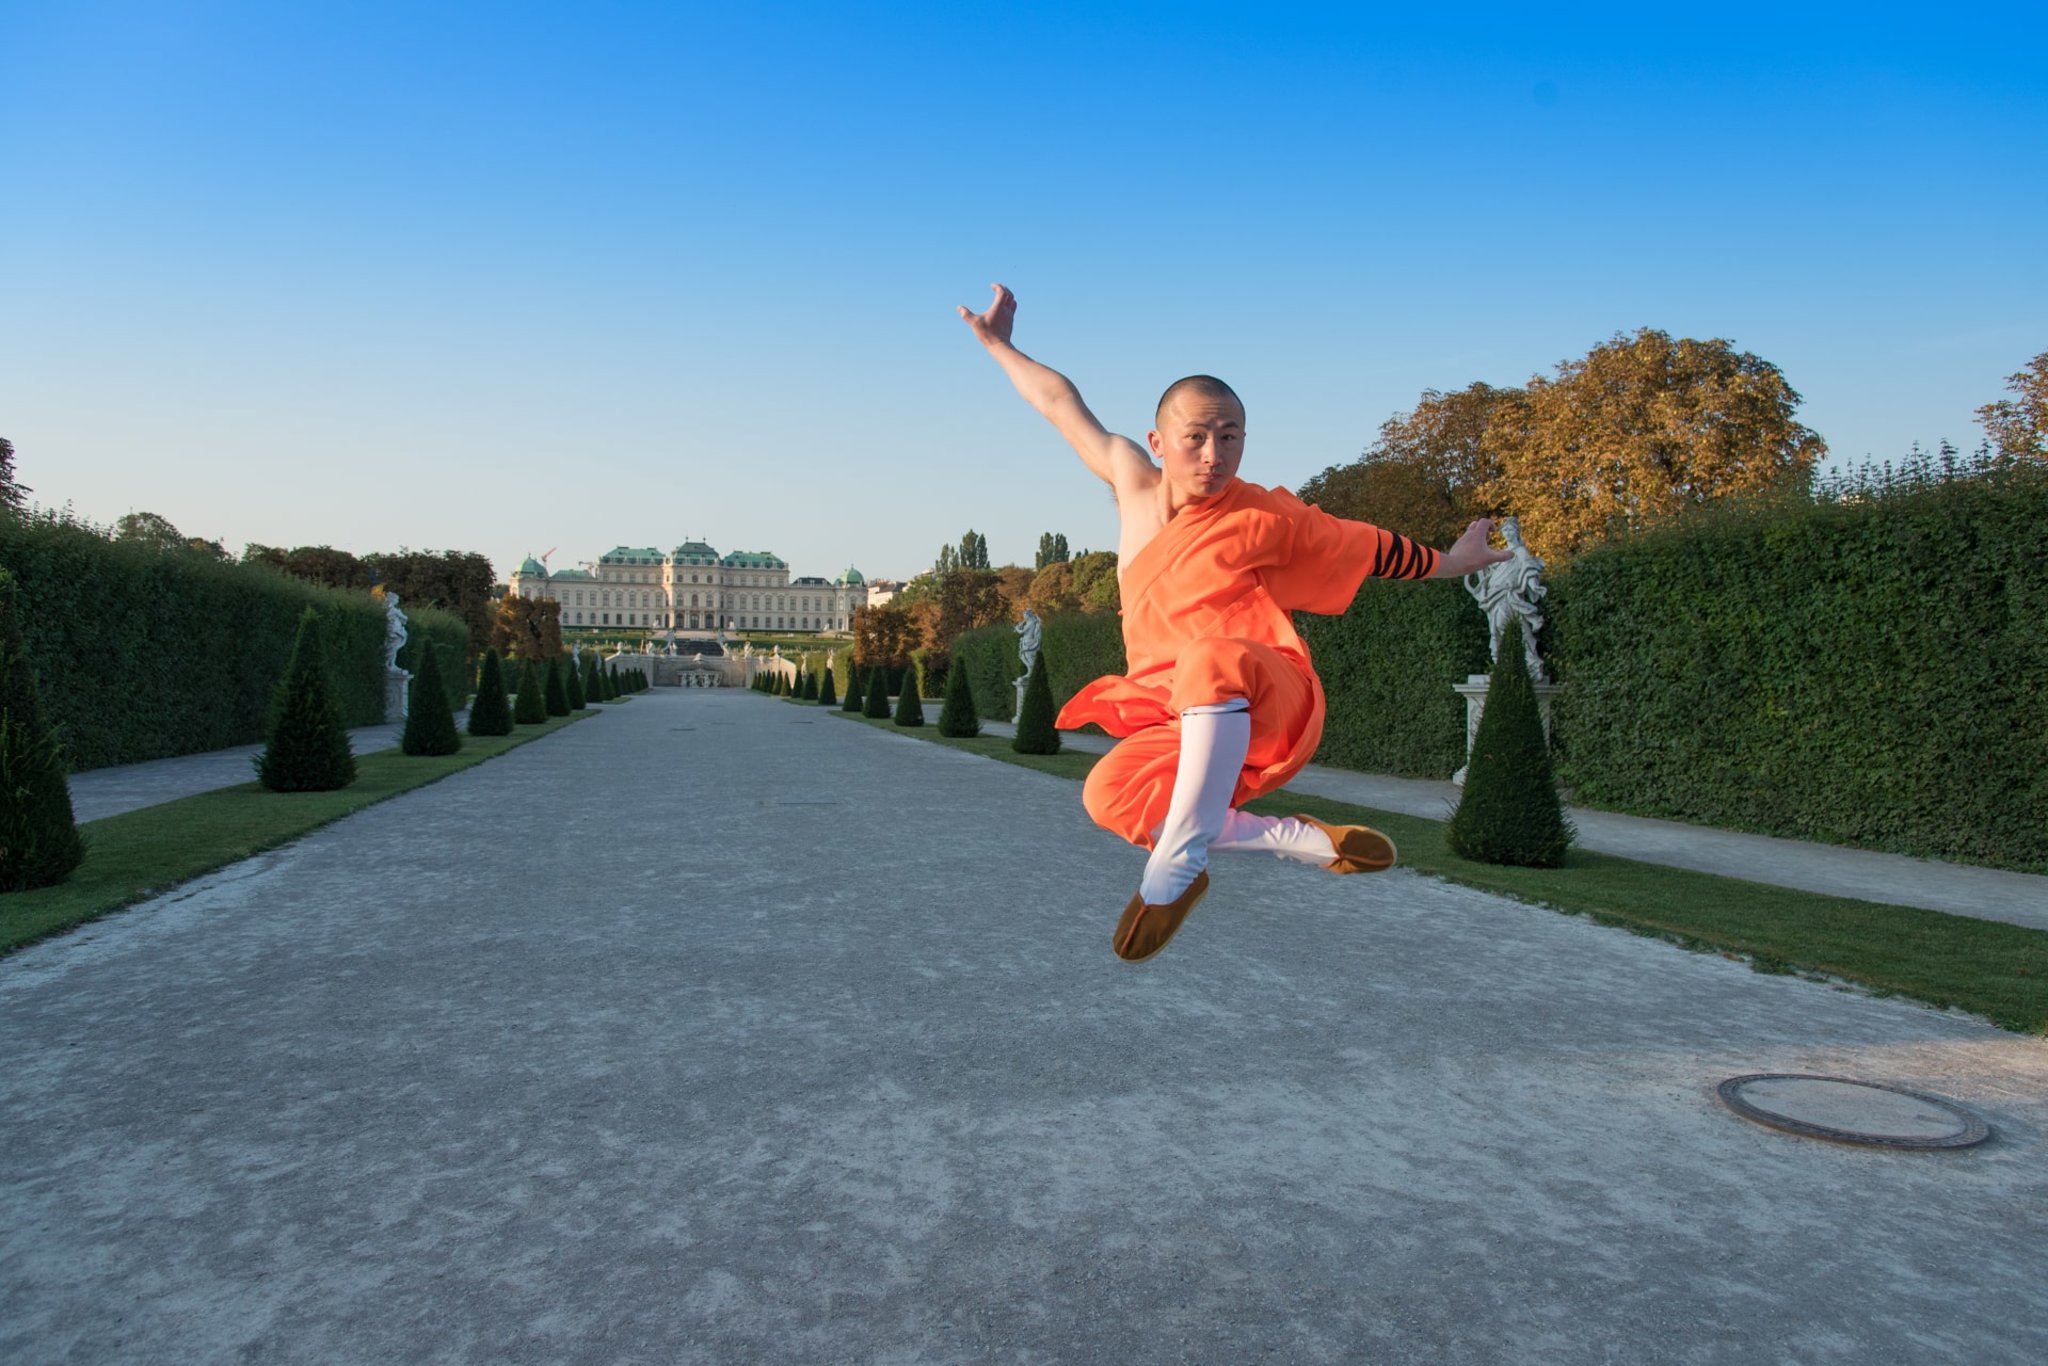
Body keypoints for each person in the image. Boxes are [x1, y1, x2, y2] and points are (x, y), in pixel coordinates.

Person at [959, 283, 1511, 962]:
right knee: (1109, 796)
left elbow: (1365, 546)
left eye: (1230, 438)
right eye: (1196, 439)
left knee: (1210, 655)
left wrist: (1453, 562)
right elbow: (1058, 403)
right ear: (1159, 441)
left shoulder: (1264, 515)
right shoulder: (1132, 485)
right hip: (1174, 715)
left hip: (1266, 693)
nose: (1214, 456)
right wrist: (1000, 347)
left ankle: (1178, 867)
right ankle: (1293, 839)